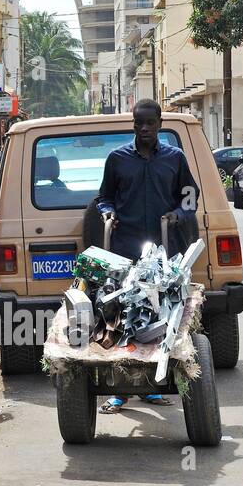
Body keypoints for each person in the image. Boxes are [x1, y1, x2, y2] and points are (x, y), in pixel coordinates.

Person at [95, 98, 199, 414]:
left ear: (159, 125)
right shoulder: (117, 159)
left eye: (149, 123)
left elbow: (191, 198)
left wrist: (178, 216)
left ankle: (151, 386)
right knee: (123, 318)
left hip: (165, 253)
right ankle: (121, 391)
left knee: (158, 319)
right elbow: (104, 197)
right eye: (138, 122)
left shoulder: (175, 158)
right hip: (125, 250)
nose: (143, 128)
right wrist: (107, 213)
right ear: (133, 124)